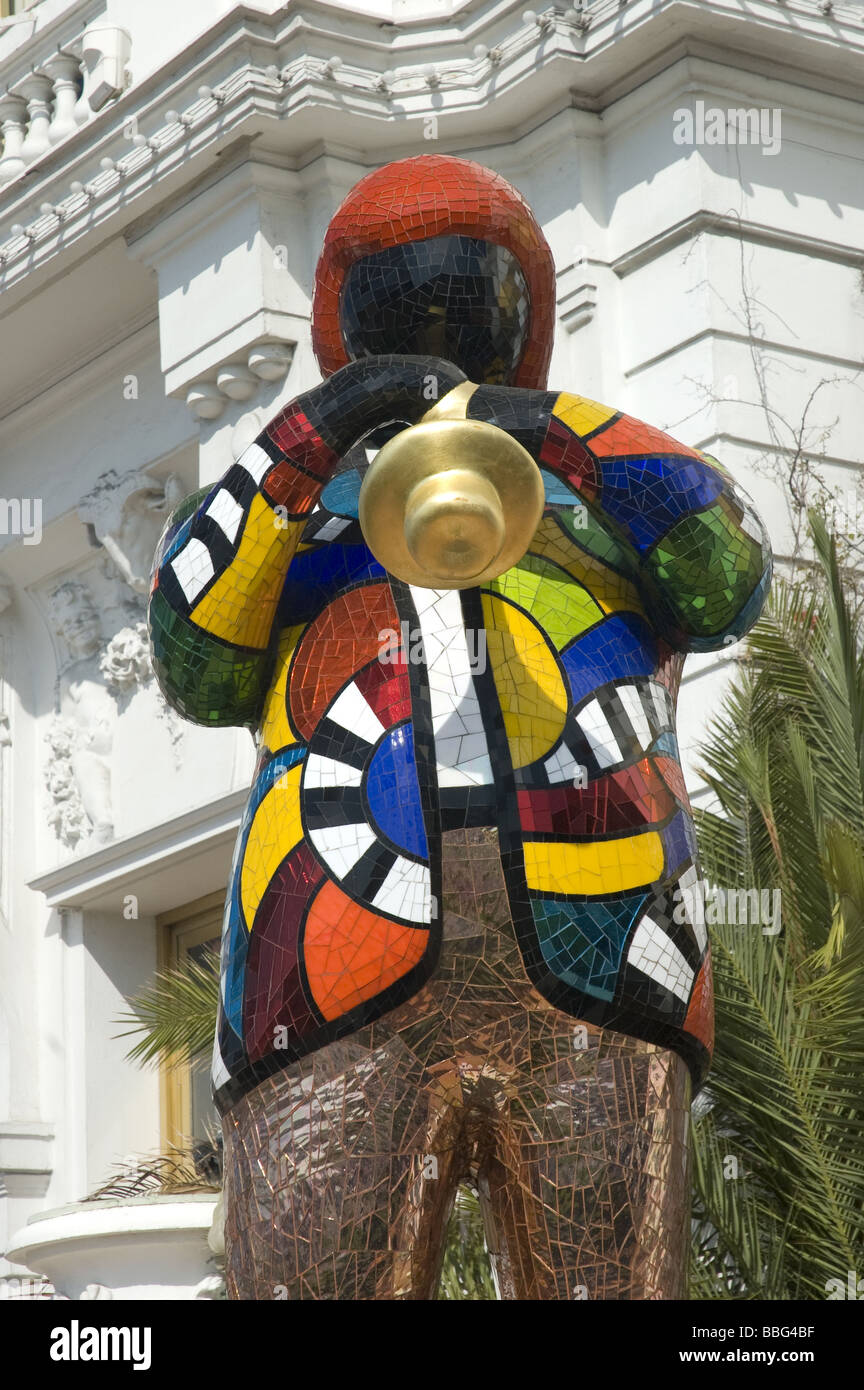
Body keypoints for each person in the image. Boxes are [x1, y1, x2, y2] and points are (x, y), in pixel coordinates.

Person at [148, 154, 771, 1299]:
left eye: (467, 285)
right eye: (398, 294)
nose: (437, 309)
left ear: (521, 315)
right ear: (349, 325)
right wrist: (322, 428)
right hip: (324, 975)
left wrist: (544, 427)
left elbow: (728, 566)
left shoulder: (595, 493)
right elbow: (190, 651)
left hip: (606, 961)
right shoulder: (299, 513)